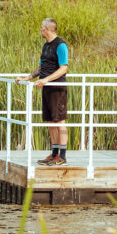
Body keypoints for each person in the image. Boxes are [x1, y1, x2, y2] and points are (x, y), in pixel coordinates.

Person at [16, 17, 69, 165]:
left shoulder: (61, 45)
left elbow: (63, 68)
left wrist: (47, 80)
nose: (40, 30)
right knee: (51, 122)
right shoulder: (46, 46)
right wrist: (28, 78)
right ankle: (54, 154)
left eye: (41, 28)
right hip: (46, 89)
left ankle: (62, 157)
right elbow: (41, 67)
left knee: (59, 122)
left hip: (57, 89)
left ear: (47, 29)